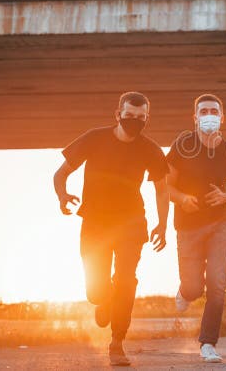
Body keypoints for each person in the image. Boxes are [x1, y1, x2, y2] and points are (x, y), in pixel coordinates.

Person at [53, 91, 169, 367]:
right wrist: (62, 195)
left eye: (141, 118)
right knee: (96, 290)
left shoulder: (150, 149)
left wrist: (162, 224)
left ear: (147, 119)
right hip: (94, 222)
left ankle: (117, 343)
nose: (134, 121)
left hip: (131, 223)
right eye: (129, 116)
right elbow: (60, 173)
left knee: (126, 280)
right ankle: (103, 300)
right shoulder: (94, 138)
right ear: (118, 115)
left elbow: (162, 189)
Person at [166, 94, 226, 364]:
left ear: (222, 117)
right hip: (187, 226)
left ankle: (208, 343)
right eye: (204, 111)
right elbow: (166, 186)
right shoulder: (182, 144)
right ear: (195, 117)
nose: (209, 114)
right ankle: (186, 291)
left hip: (220, 223)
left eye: (214, 110)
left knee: (217, 283)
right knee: (193, 287)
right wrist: (182, 199)